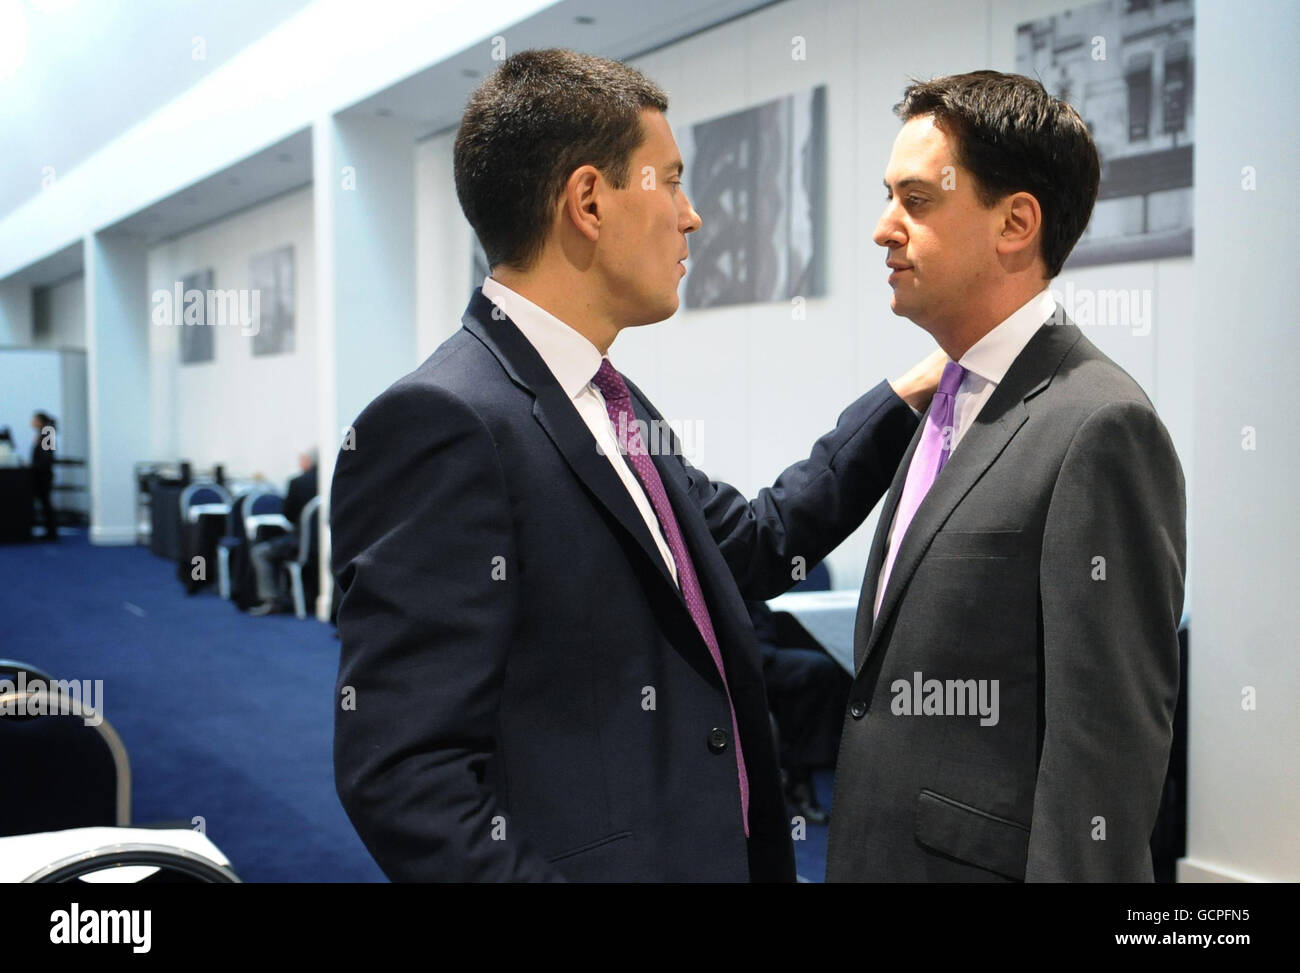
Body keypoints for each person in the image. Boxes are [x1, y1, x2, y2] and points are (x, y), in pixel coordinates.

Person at [330, 49, 943, 882]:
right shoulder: (445, 422)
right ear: (588, 200)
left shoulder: (607, 399)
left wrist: (909, 397)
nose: (691, 217)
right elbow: (404, 774)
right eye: (672, 180)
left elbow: (752, 544)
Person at [826, 71, 1186, 883]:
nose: (885, 228)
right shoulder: (943, 403)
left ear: (1016, 224)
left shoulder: (1100, 424)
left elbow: (1104, 761)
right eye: (889, 197)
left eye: (916, 201)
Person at [248, 450, 318, 616]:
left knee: (260, 552)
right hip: (324, 545)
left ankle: (271, 600)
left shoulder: (297, 482)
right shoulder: (329, 479)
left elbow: (288, 515)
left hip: (300, 544)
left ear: (306, 461)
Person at [30, 412, 58, 541]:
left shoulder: (47, 433)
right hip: (41, 474)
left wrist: (35, 466)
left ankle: (51, 532)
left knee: (46, 503)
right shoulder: (44, 434)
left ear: (40, 421)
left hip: (43, 475)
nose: (31, 422)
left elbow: (47, 457)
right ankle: (50, 531)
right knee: (45, 503)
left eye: (34, 420)